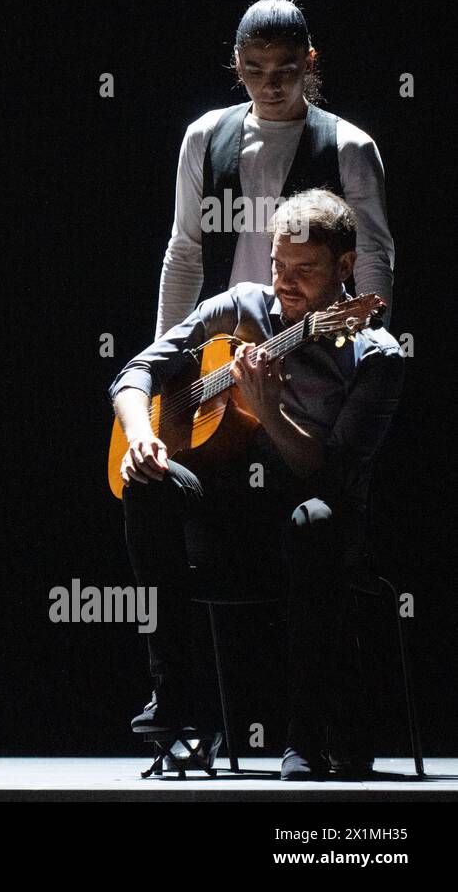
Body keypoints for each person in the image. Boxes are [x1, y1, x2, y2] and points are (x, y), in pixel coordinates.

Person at [111, 189, 404, 779]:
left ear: (345, 268)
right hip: (226, 517)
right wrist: (143, 434)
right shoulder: (242, 306)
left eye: (305, 270)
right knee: (148, 485)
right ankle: (178, 703)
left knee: (315, 519)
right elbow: (137, 371)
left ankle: (306, 737)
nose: (285, 283)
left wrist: (267, 409)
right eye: (278, 265)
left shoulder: (378, 356)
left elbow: (334, 474)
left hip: (313, 530)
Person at [155, 0, 393, 338]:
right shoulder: (203, 137)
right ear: (237, 63)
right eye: (255, 69)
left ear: (309, 61)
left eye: (285, 69)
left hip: (314, 353)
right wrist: (164, 361)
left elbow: (372, 257)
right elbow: (184, 254)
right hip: (221, 352)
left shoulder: (349, 147)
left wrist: (376, 352)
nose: (270, 85)